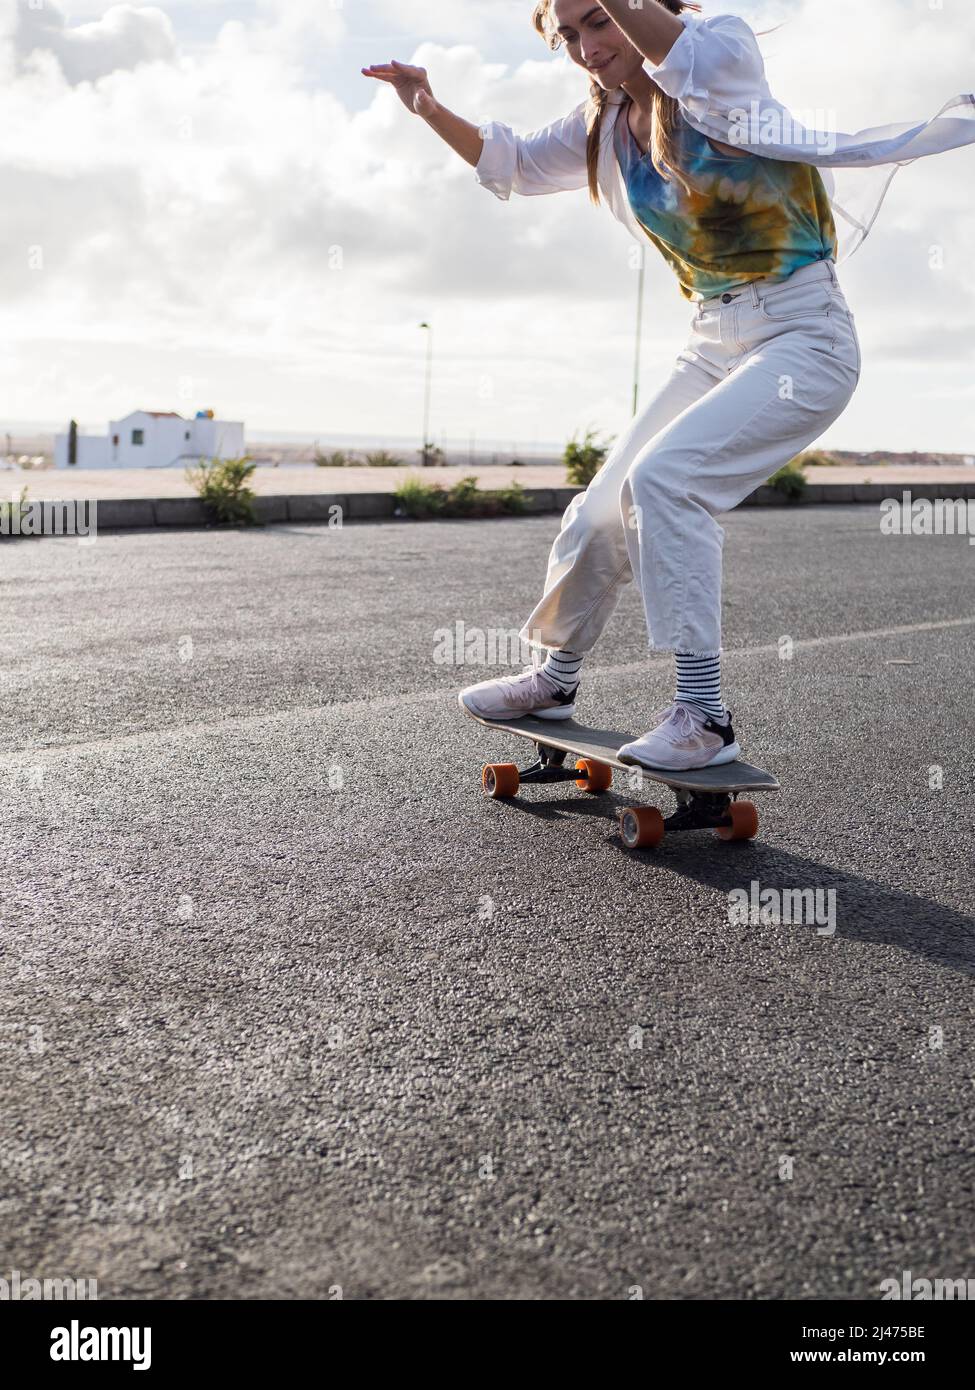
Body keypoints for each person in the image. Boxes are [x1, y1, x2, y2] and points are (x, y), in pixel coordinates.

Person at [363, 1, 975, 771]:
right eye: (570, 35)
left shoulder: (720, 55)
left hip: (803, 334)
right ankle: (554, 680)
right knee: (599, 509)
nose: (587, 48)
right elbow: (509, 161)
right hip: (712, 339)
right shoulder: (603, 127)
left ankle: (704, 717)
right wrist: (427, 108)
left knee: (666, 481)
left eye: (599, 21)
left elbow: (682, 56)